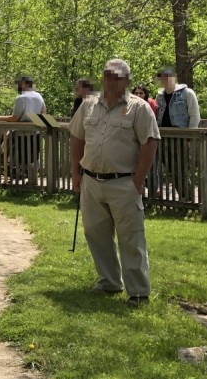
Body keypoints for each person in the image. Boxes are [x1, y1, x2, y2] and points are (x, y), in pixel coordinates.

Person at [69, 58, 160, 307]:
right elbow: (77, 137)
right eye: (107, 75)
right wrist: (76, 172)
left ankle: (138, 292)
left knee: (131, 237)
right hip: (91, 180)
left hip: (123, 182)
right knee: (95, 233)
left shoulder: (139, 108)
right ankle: (108, 282)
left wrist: (138, 179)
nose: (111, 80)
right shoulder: (88, 104)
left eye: (117, 76)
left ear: (127, 81)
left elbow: (150, 142)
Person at [0, 75, 47, 181]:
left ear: (24, 84)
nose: (17, 86)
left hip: (21, 134)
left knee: (18, 155)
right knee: (33, 157)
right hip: (36, 132)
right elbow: (43, 113)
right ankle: (33, 180)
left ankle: (16, 176)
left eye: (19, 83)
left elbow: (15, 118)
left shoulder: (21, 98)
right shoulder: (39, 96)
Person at [154, 68, 201, 199]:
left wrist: (189, 137)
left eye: (167, 76)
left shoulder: (187, 93)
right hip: (164, 138)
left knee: (181, 170)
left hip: (181, 137)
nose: (165, 79)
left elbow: (195, 116)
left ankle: (188, 199)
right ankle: (185, 199)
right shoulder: (159, 96)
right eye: (162, 77)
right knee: (170, 170)